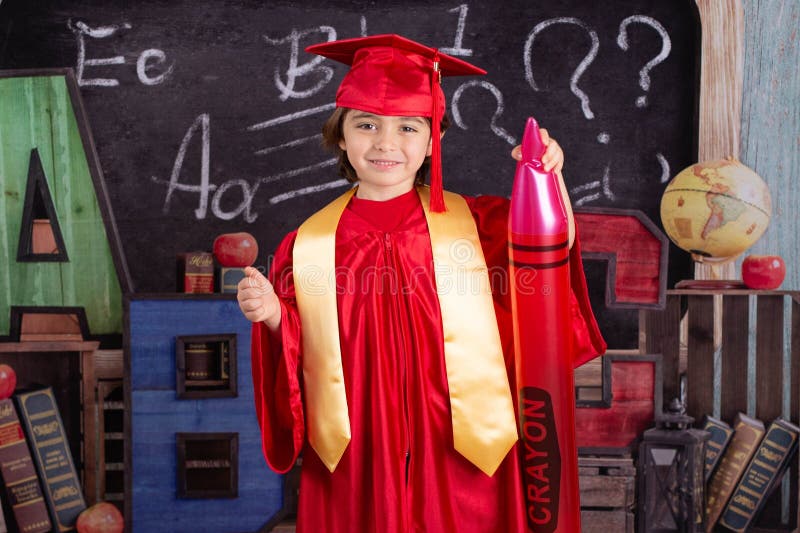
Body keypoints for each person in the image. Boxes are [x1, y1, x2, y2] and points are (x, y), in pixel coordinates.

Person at [237, 34, 606, 533]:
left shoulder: (479, 225)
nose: (386, 143)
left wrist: (547, 179)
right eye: (366, 125)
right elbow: (302, 346)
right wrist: (275, 315)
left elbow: (550, 249)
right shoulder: (306, 245)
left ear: (434, 139)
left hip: (460, 434)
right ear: (341, 136)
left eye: (408, 127)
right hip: (363, 439)